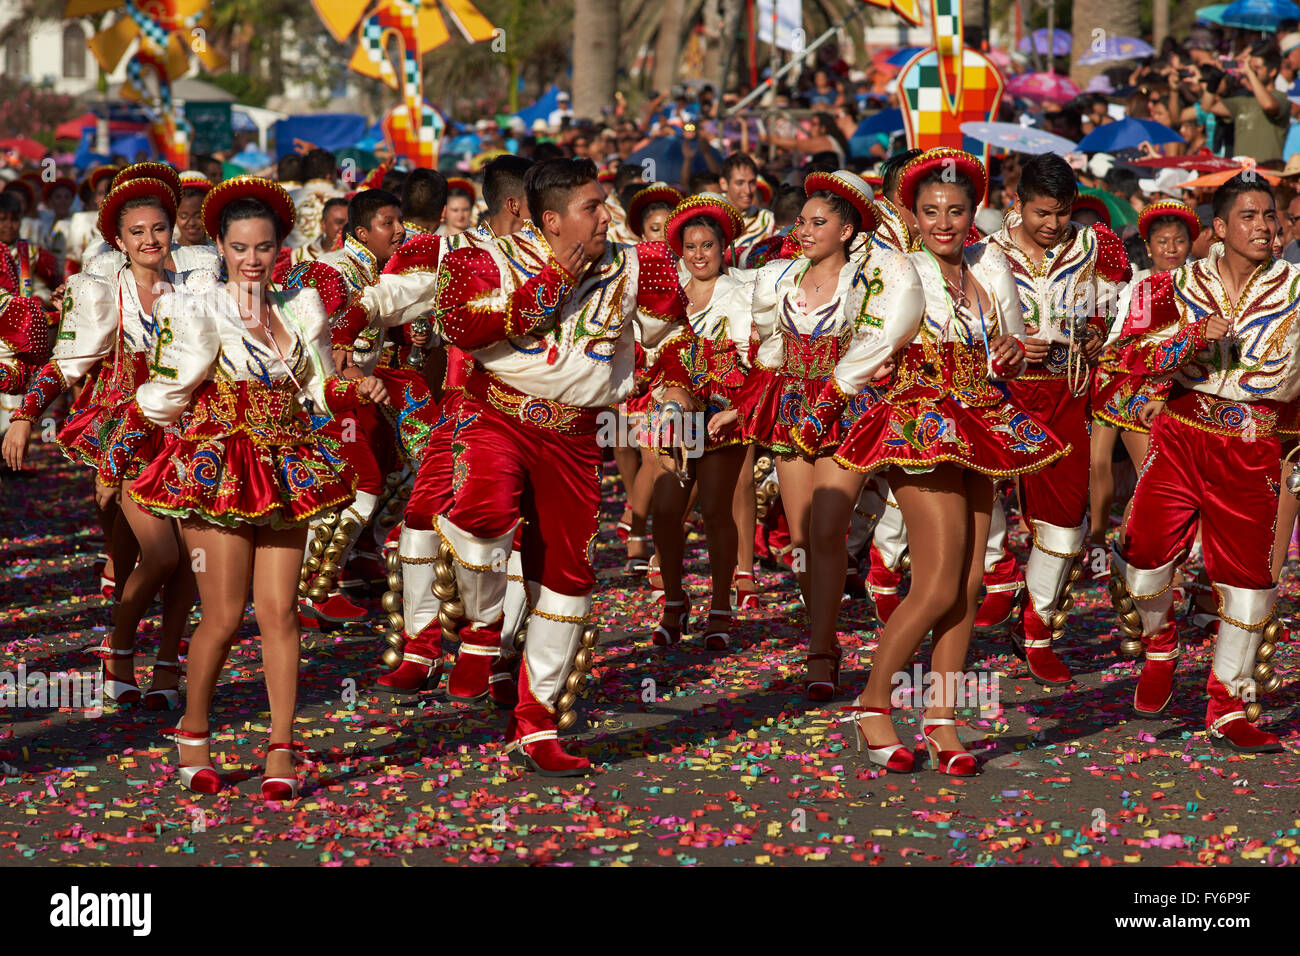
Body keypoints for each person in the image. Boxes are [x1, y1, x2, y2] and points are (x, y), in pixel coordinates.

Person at [120, 176, 390, 795]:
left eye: (264, 247)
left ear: (279, 248)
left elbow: (320, 385)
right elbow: (163, 394)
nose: (252, 259)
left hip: (287, 467)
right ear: (219, 245)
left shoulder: (302, 306)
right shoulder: (197, 306)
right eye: (239, 247)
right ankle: (194, 730)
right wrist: (178, 430)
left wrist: (356, 387)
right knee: (221, 615)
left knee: (279, 614)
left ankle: (280, 749)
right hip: (216, 469)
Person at [433, 158, 694, 775]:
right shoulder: (483, 256)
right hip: (501, 416)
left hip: (579, 438)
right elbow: (462, 326)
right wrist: (552, 279)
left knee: (568, 577)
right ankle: (482, 624)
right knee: (481, 515)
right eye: (591, 207)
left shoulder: (636, 262)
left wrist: (675, 387)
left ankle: (537, 722)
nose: (607, 215)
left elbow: (670, 335)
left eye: (605, 203)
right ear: (550, 220)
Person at [831, 149, 1063, 774]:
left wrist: (1013, 354)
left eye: (956, 211)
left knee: (968, 582)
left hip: (984, 418)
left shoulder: (992, 267)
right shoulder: (896, 268)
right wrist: (862, 376)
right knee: (935, 582)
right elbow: (865, 338)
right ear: (912, 211)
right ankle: (873, 703)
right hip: (922, 421)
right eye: (931, 210)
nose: (944, 222)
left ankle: (942, 718)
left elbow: (1015, 345)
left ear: (974, 213)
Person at [2, 173, 216, 707]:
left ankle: (167, 664)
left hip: (193, 433)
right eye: (137, 231)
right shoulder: (103, 288)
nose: (150, 240)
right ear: (118, 241)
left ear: (172, 232)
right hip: (128, 436)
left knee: (191, 556)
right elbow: (69, 364)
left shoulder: (199, 280)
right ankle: (119, 647)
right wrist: (25, 416)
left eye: (159, 229)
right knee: (161, 555)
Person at [1110, 172, 1296, 753]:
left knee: (1247, 581)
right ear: (1219, 227)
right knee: (1141, 556)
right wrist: (1189, 338)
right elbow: (1125, 354)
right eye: (1249, 216)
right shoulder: (1173, 284)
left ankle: (1228, 701)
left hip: (1253, 444)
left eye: (1271, 216)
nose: (1264, 227)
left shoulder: (1298, 288)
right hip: (1183, 434)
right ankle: (1160, 639)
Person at [740, 170, 923, 697]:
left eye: (818, 223)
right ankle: (827, 637)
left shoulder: (870, 278)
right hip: (793, 405)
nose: (804, 231)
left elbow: (884, 336)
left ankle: (821, 649)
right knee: (799, 538)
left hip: (844, 407)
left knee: (826, 532)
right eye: (801, 221)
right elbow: (769, 349)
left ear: (846, 231)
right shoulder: (777, 277)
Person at [975, 152, 1131, 685]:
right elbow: (960, 319)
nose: (1052, 224)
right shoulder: (983, 253)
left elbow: (1114, 308)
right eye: (1042, 212)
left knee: (1065, 524)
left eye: (1061, 213)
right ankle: (989, 583)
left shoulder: (1093, 245)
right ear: (1016, 204)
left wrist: (1094, 331)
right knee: (975, 504)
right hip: (998, 394)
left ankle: (1036, 627)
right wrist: (1002, 343)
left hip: (1066, 393)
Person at [647, 194, 752, 650]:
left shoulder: (745, 293)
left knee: (714, 511)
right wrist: (665, 392)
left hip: (724, 417)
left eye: (707, 245)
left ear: (723, 246)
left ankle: (721, 606)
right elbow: (647, 353)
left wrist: (735, 404)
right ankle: (674, 601)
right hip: (676, 418)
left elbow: (760, 355)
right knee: (666, 512)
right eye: (690, 247)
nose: (699, 254)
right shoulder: (669, 296)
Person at [1090, 200, 1199, 549]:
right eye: (1162, 241)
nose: (1171, 248)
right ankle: (1101, 540)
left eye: (1178, 240)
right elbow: (1116, 333)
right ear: (1148, 245)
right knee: (1103, 463)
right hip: (1123, 381)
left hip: (1172, 388)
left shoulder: (1199, 285)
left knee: (1156, 478)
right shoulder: (1136, 283)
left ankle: (1134, 551)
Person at [1198, 43, 1289, 163]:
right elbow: (1208, 106)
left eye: (1257, 68)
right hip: (1244, 172)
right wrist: (1214, 79)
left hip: (1268, 171)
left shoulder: (1281, 97)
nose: (1252, 71)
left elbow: (1269, 106)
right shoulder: (1243, 98)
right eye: (1251, 67)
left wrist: (1250, 73)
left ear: (1272, 71)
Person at [719, 153, 776, 267]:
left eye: (752, 183)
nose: (748, 191)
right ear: (724, 184)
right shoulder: (708, 215)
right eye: (740, 183)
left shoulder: (768, 219)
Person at [175, 172, 213, 246]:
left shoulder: (220, 253)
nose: (191, 223)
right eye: (183, 216)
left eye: (199, 216)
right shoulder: (167, 254)